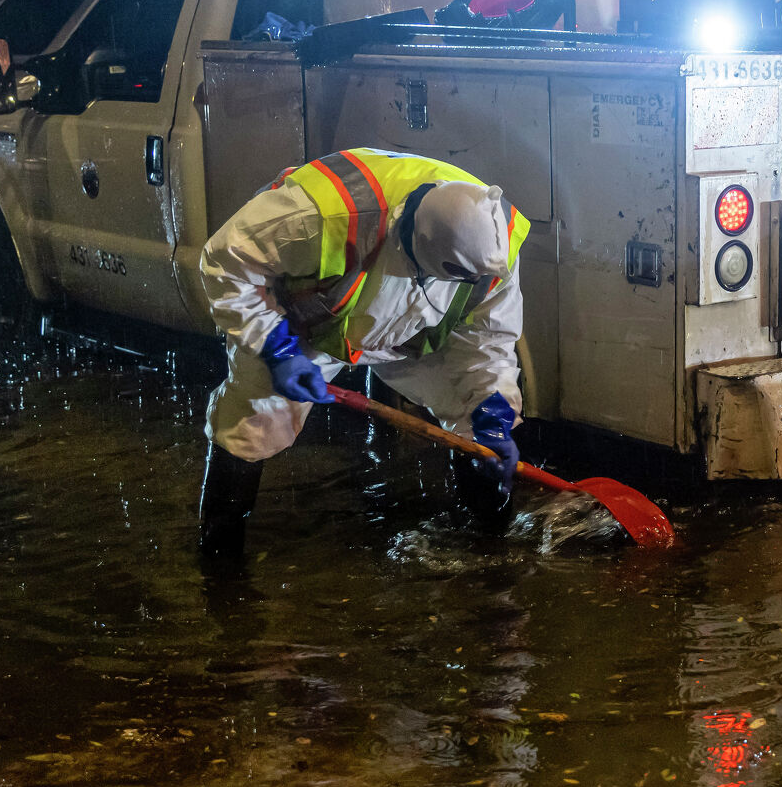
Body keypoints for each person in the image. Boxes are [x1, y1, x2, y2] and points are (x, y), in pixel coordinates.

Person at [196, 148, 531, 553]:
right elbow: (225, 263)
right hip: (304, 327)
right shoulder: (323, 215)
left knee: (480, 423)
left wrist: (491, 416)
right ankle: (220, 560)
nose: (477, 281)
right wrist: (276, 348)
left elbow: (489, 342)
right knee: (253, 422)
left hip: (413, 333)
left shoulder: (494, 248)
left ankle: (488, 549)